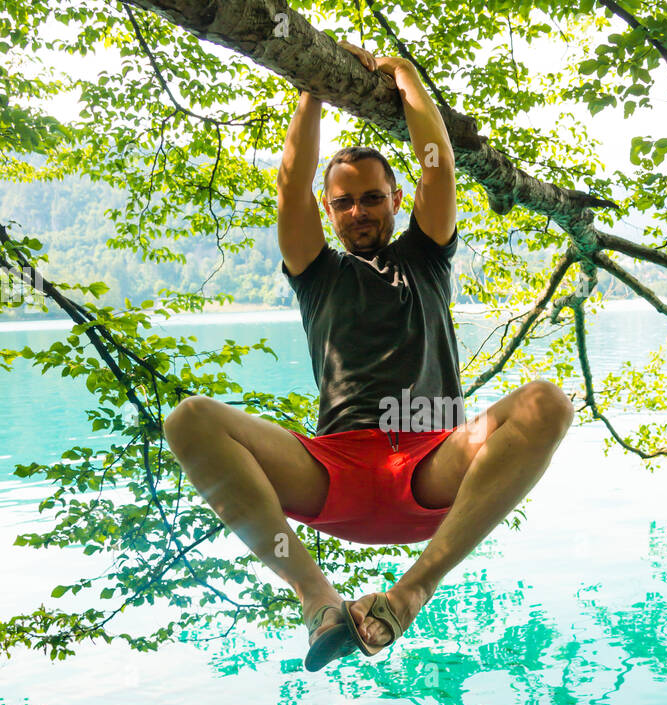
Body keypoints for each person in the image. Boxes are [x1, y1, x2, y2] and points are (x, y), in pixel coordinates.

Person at [164, 42, 574, 670]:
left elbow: (438, 166)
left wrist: (406, 73)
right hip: (335, 474)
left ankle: (412, 591)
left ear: (394, 199)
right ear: (328, 211)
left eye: (372, 198)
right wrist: (313, 85)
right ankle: (316, 598)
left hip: (434, 463)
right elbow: (291, 184)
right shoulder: (315, 272)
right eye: (343, 201)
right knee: (189, 418)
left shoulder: (426, 257)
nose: (358, 211)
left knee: (547, 402)